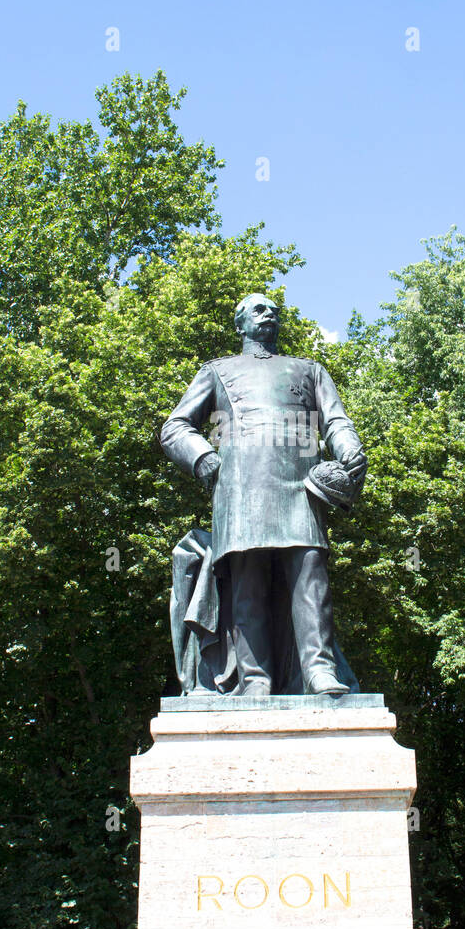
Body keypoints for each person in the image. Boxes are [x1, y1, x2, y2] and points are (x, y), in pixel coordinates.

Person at [160, 293, 366, 695]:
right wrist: (202, 457)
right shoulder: (218, 371)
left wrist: (350, 452)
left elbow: (336, 422)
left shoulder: (310, 370)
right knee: (247, 590)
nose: (269, 313)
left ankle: (319, 672)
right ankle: (255, 681)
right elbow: (176, 427)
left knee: (311, 581)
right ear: (240, 325)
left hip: (302, 488)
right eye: (258, 309)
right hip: (240, 490)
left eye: (274, 309)